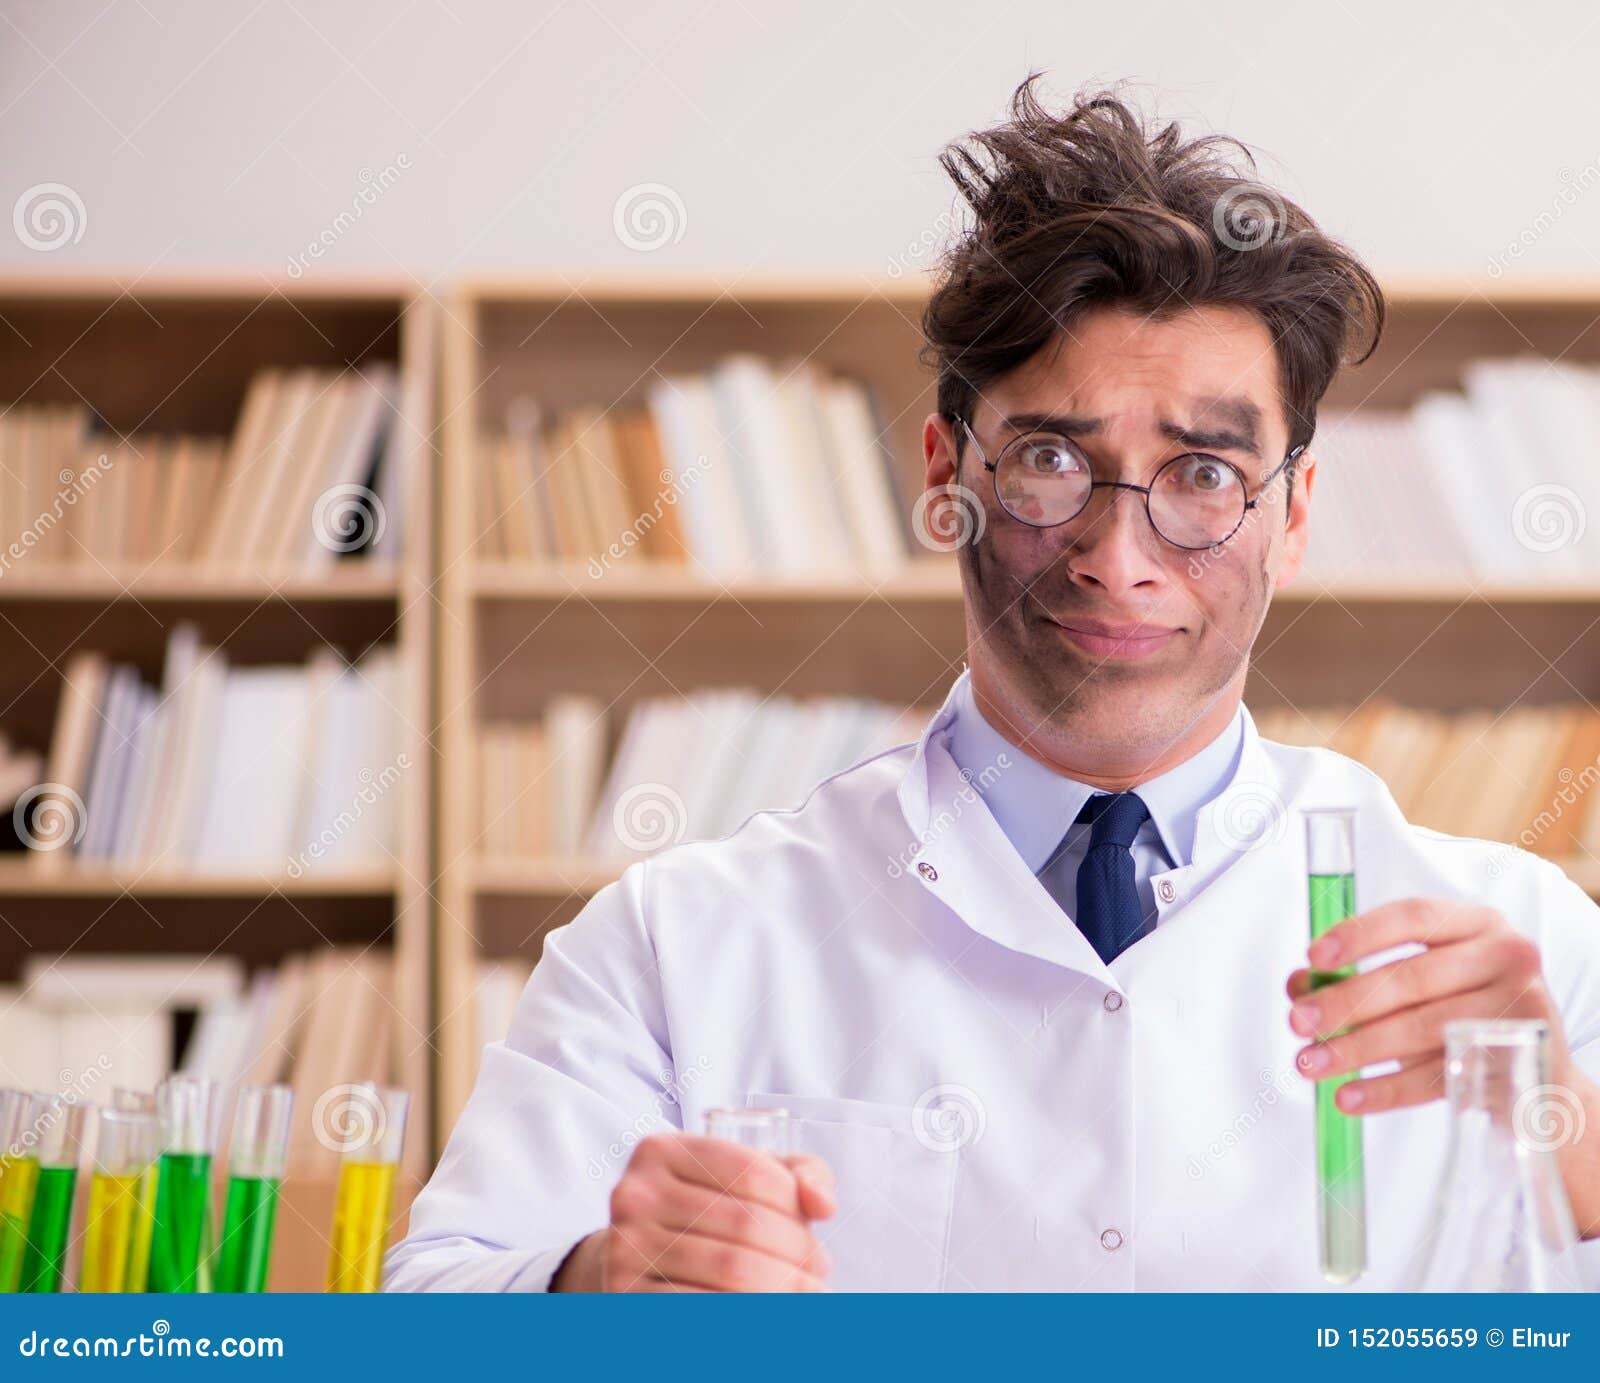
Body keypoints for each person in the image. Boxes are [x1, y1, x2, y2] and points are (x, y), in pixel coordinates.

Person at [387, 76, 1600, 1292]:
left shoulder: (1525, 956)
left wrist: (1577, 1146)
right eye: (1050, 460)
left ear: (1292, 516)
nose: (1118, 561)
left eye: (1203, 474)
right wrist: (590, 1285)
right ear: (943, 474)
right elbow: (427, 1311)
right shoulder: (678, 941)